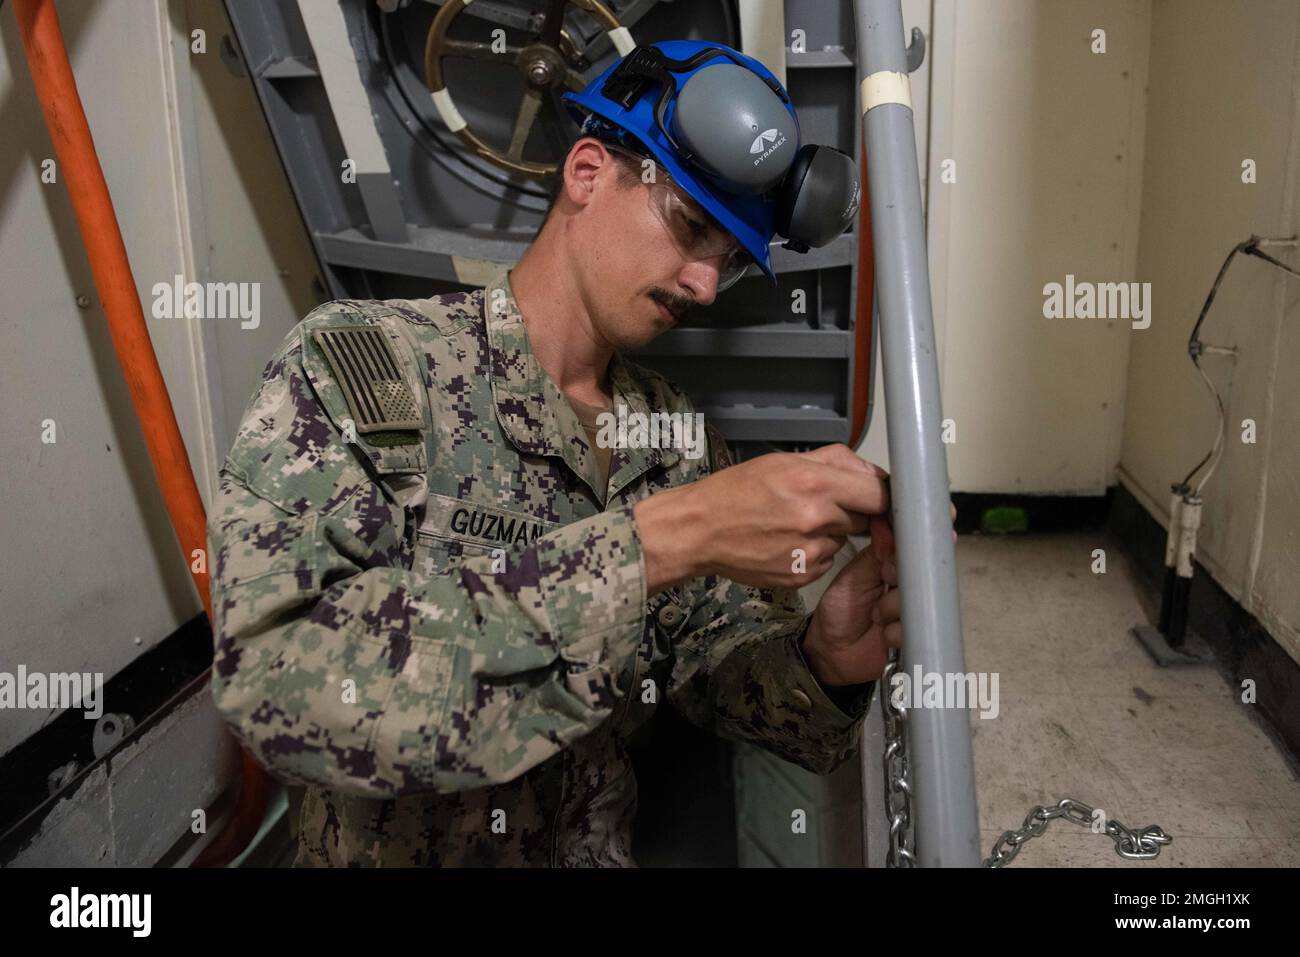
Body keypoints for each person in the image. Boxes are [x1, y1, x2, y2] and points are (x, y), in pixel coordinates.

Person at [208, 40, 921, 867]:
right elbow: (276, 680)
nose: (701, 284)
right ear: (586, 172)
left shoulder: (671, 433)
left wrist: (822, 661)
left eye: (725, 262)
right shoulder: (371, 368)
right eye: (691, 227)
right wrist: (655, 544)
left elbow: (710, 665)